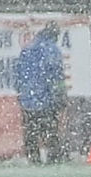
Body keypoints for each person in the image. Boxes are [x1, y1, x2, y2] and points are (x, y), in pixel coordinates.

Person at [12, 24, 72, 163]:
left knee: (30, 132)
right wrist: (60, 95)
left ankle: (34, 159)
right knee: (51, 131)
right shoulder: (52, 50)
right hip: (46, 99)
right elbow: (56, 76)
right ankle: (53, 158)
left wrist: (23, 94)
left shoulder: (26, 50)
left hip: (28, 100)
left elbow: (18, 76)